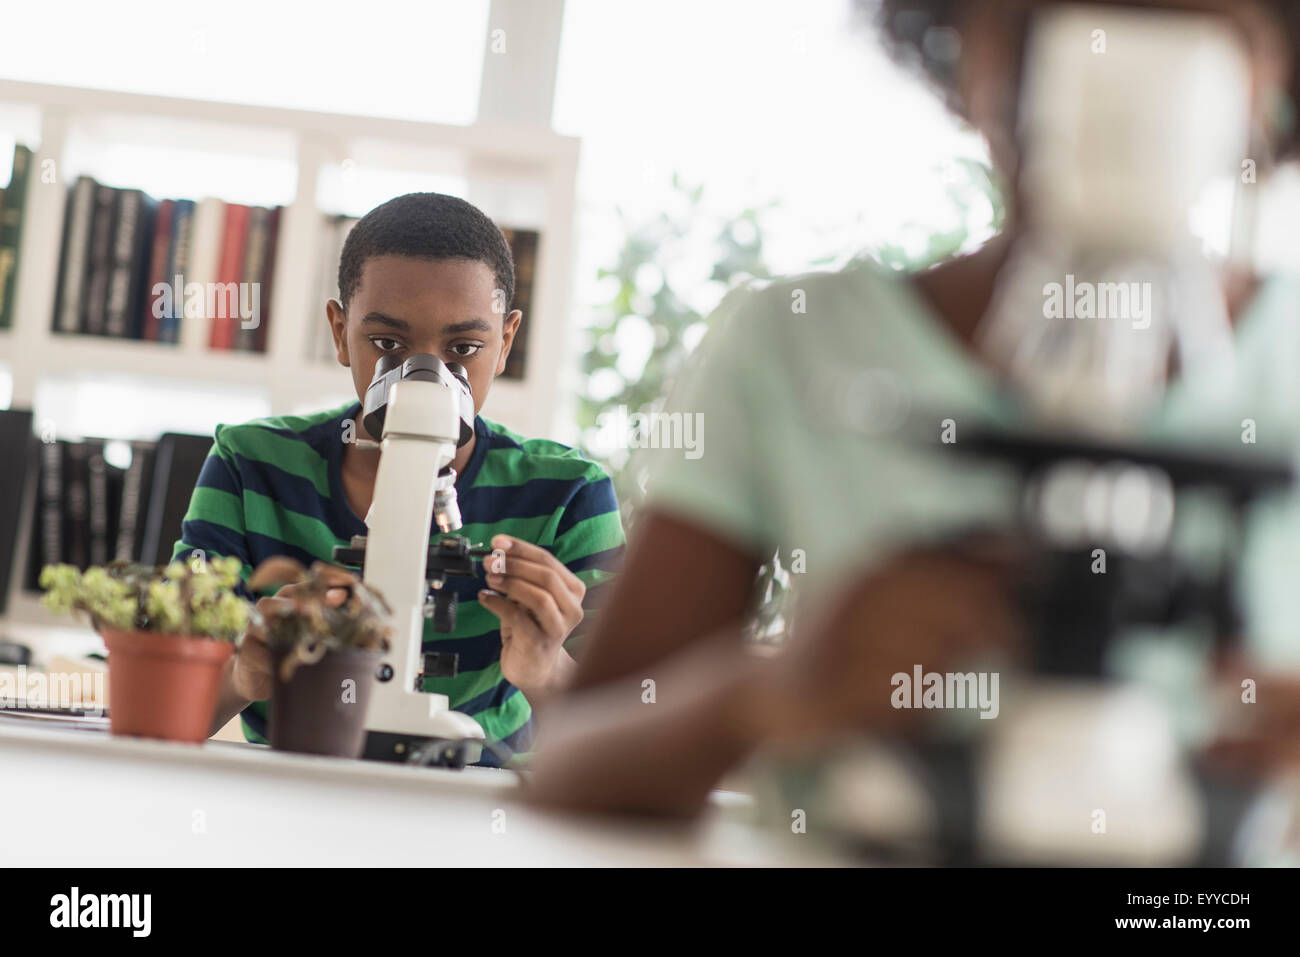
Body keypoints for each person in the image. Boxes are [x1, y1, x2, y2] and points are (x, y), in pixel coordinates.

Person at [526, 0, 1300, 818]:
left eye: (1178, 26)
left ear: (1274, 68)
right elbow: (572, 763)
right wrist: (763, 692)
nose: (1118, 78)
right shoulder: (794, 346)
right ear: (958, 43)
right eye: (1049, 23)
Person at [174, 192, 625, 763]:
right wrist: (247, 672)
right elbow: (163, 709)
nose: (427, 379)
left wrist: (543, 670)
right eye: (387, 345)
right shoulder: (249, 467)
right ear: (340, 331)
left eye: (464, 349)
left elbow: (626, 738)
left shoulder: (569, 494)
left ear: (505, 342)